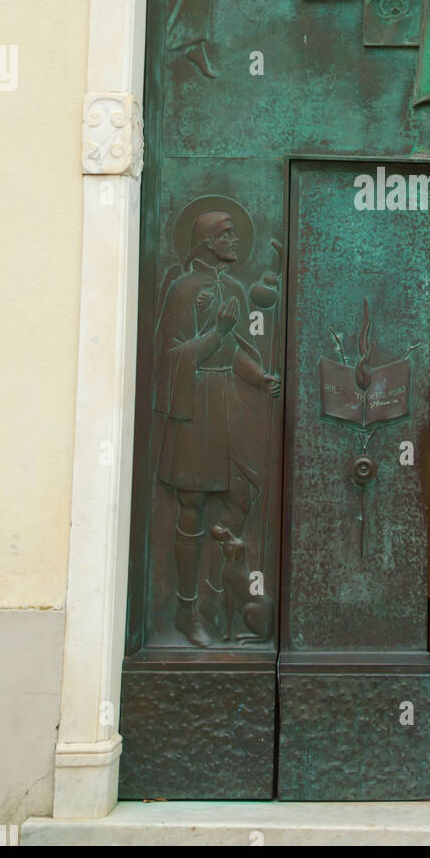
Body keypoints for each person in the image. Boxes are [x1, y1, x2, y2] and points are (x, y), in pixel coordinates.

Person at [153, 210, 280, 647]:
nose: (235, 242)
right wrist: (216, 330)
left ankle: (227, 595)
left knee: (239, 496)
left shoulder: (237, 290)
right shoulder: (182, 289)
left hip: (227, 402)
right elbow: (173, 356)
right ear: (207, 240)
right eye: (226, 235)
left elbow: (237, 350)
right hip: (195, 405)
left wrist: (257, 376)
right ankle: (187, 611)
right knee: (191, 504)